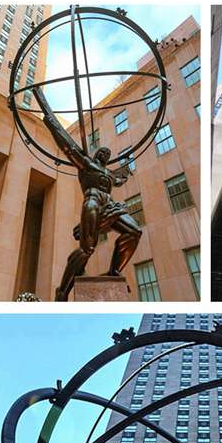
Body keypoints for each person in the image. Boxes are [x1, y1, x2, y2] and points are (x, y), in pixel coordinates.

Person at [32, 88, 142, 301]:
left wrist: (127, 168)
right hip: (92, 202)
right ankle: (62, 290)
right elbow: (66, 144)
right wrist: (48, 113)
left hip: (110, 205)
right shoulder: (86, 164)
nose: (105, 153)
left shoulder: (110, 174)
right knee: (87, 249)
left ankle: (114, 271)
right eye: (101, 151)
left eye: (108, 154)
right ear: (95, 153)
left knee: (134, 232)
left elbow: (122, 176)